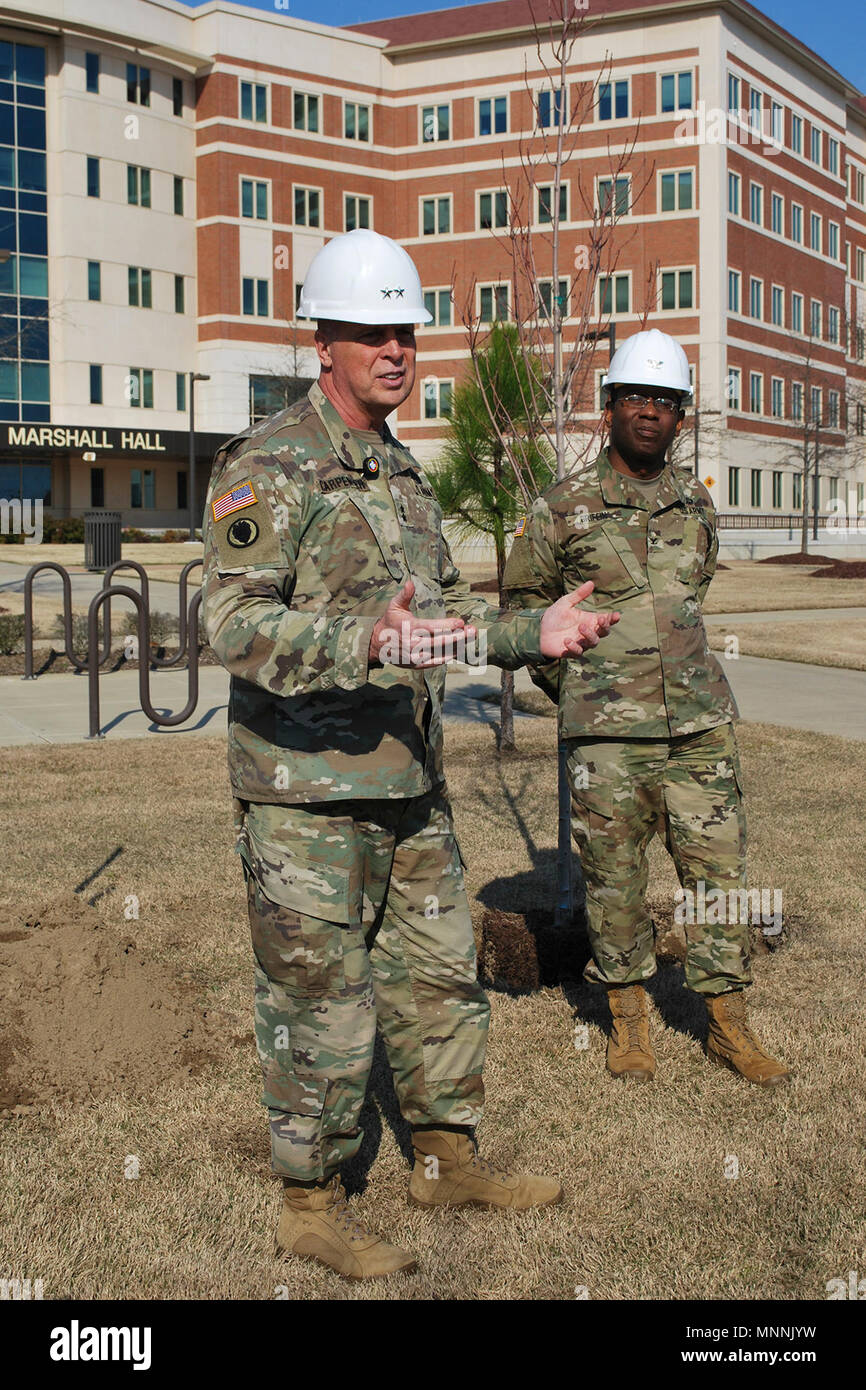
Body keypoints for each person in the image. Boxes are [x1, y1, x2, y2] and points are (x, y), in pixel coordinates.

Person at [201, 229, 619, 1281]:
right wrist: (362, 640)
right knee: (319, 1001)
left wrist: (534, 635)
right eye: (372, 331)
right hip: (306, 795)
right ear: (324, 341)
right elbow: (231, 623)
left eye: (405, 331)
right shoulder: (269, 465)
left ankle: (446, 1158)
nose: (395, 348)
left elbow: (442, 621)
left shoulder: (399, 473)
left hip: (407, 781)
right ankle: (309, 1200)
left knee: (438, 982)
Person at [503, 328, 790, 1090]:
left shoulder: (696, 500)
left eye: (666, 402)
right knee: (614, 878)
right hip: (607, 737)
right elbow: (526, 610)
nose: (651, 413)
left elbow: (694, 592)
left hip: (699, 724)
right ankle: (628, 1020)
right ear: (608, 407)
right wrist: (577, 690)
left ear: (682, 416)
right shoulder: (561, 507)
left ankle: (728, 1023)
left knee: (719, 875)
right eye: (637, 397)